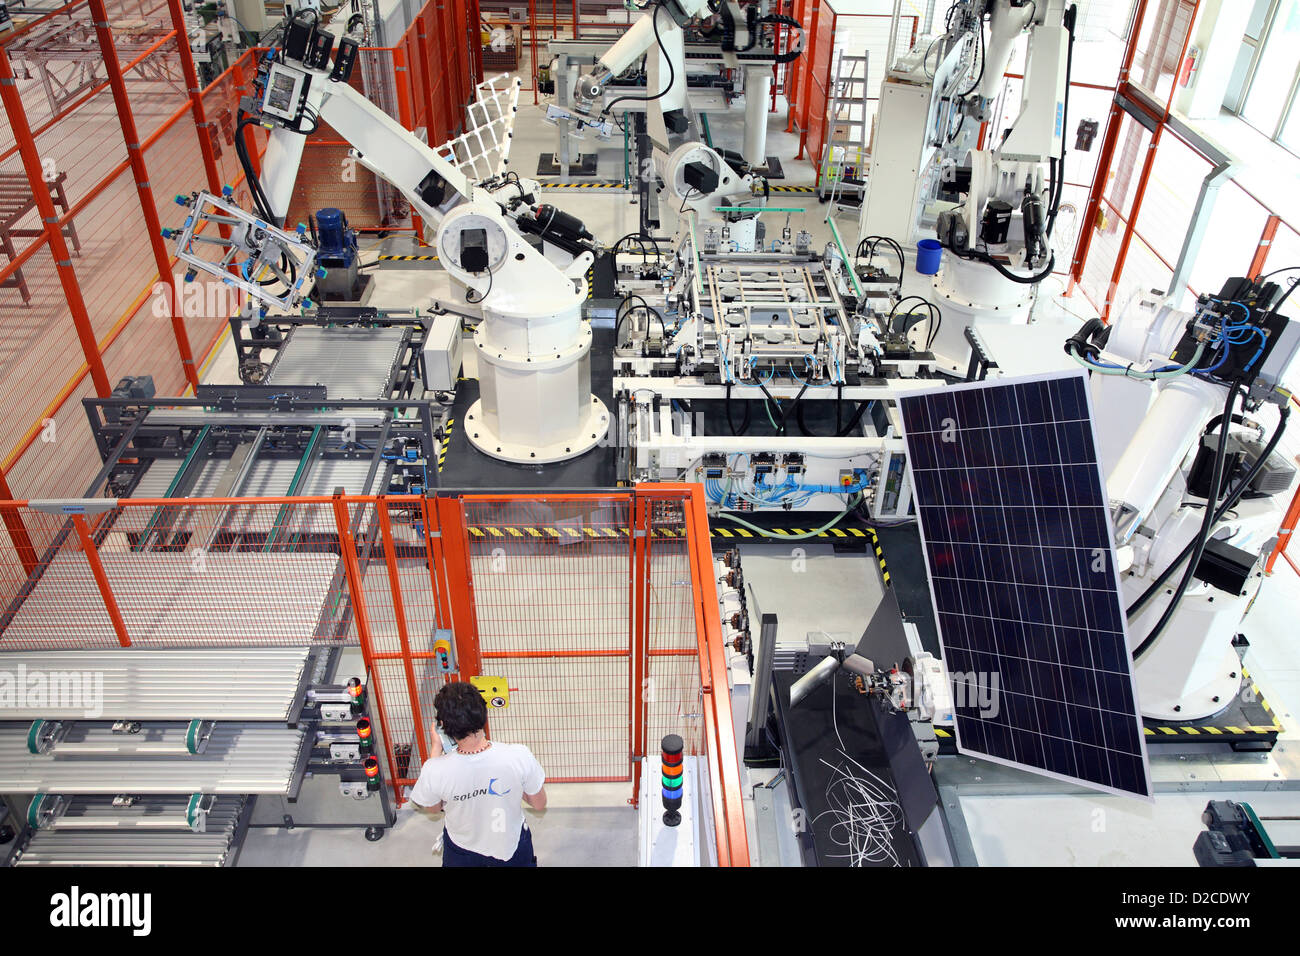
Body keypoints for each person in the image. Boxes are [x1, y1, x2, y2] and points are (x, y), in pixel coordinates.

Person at [409, 681, 547, 867]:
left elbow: (433, 808)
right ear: (484, 714)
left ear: (443, 726)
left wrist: (436, 747)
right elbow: (539, 804)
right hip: (511, 848)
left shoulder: (435, 769)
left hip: (462, 853)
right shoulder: (518, 755)